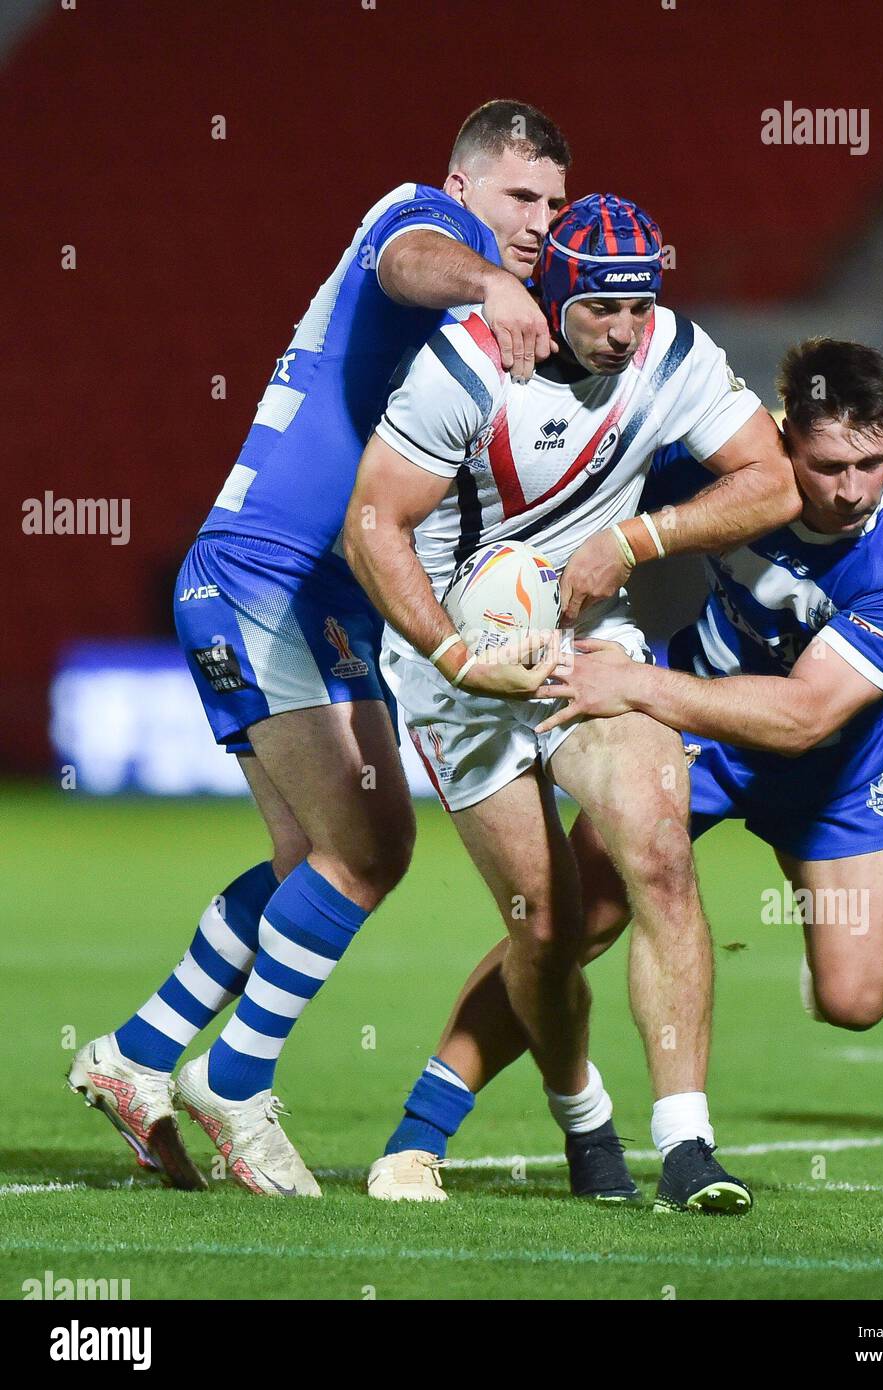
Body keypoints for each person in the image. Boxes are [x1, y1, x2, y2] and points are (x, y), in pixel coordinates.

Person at [67, 100, 570, 1197]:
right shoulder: (425, 224)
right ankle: (235, 1082)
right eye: (519, 195)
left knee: (320, 862)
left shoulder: (479, 338)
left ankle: (137, 1056)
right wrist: (484, 275)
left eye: (551, 205)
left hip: (307, 594)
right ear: (465, 180)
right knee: (370, 846)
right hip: (265, 576)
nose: (535, 221)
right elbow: (410, 260)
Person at [346, 194, 800, 1213]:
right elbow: (373, 524)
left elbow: (769, 484)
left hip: (586, 648)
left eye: (639, 307)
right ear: (552, 293)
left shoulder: (668, 353)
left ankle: (686, 1145)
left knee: (658, 851)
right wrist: (461, 655)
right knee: (543, 931)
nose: (624, 329)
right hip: (454, 670)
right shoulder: (464, 365)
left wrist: (634, 540)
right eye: (601, 308)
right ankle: (583, 1118)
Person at [534, 338, 883, 1035]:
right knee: (571, 931)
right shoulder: (722, 471)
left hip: (835, 765)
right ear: (784, 436)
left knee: (854, 1002)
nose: (852, 490)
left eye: (872, 463)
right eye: (828, 466)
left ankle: (814, 892)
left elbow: (804, 717)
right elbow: (594, 500)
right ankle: (428, 1117)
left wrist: (630, 683)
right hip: (698, 719)